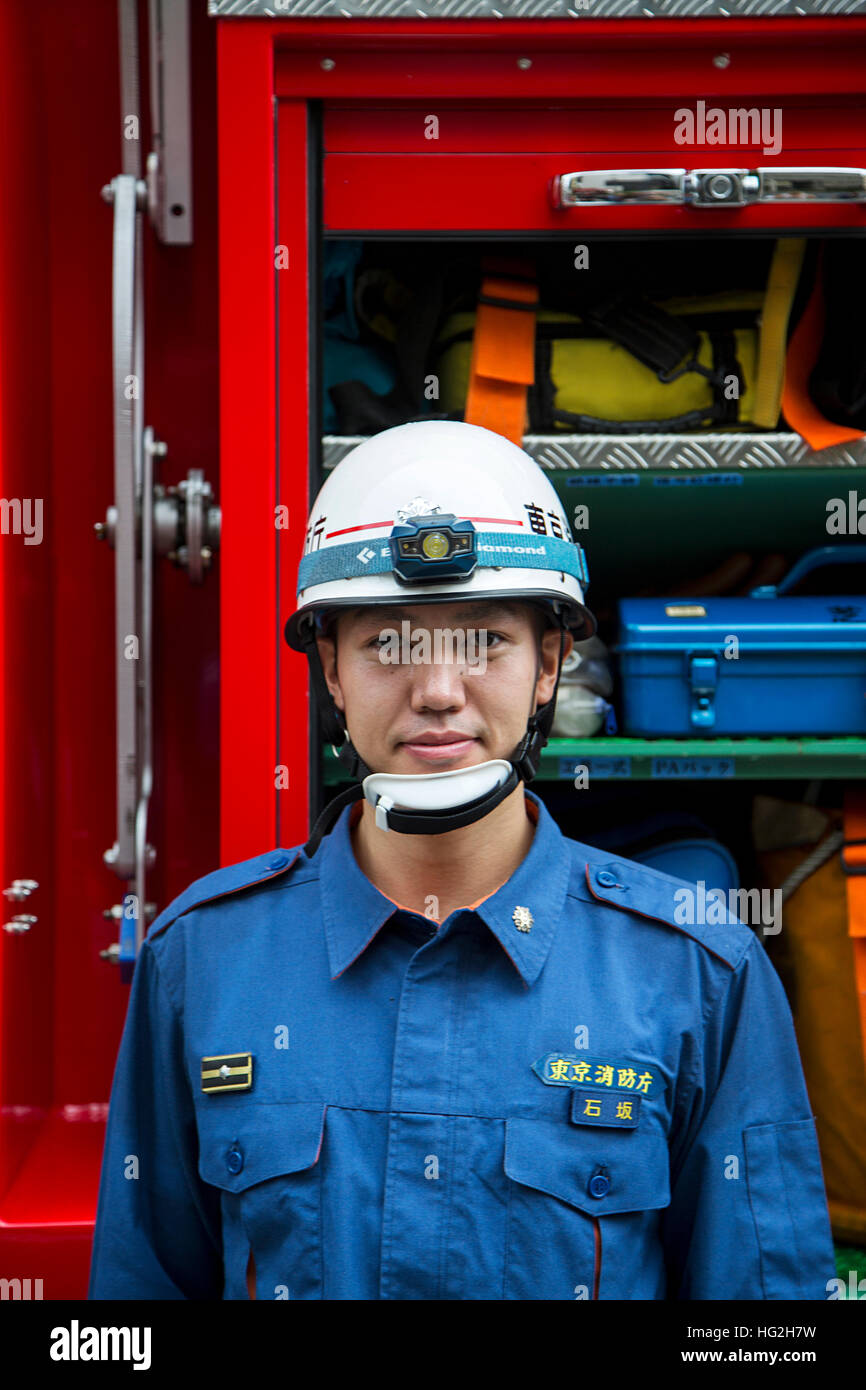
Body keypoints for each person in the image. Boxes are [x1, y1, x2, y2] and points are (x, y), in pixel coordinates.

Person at [88, 419, 836, 1300]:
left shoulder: (702, 970)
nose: (438, 691)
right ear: (330, 670)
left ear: (551, 663)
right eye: (386, 643)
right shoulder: (202, 961)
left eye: (482, 640)